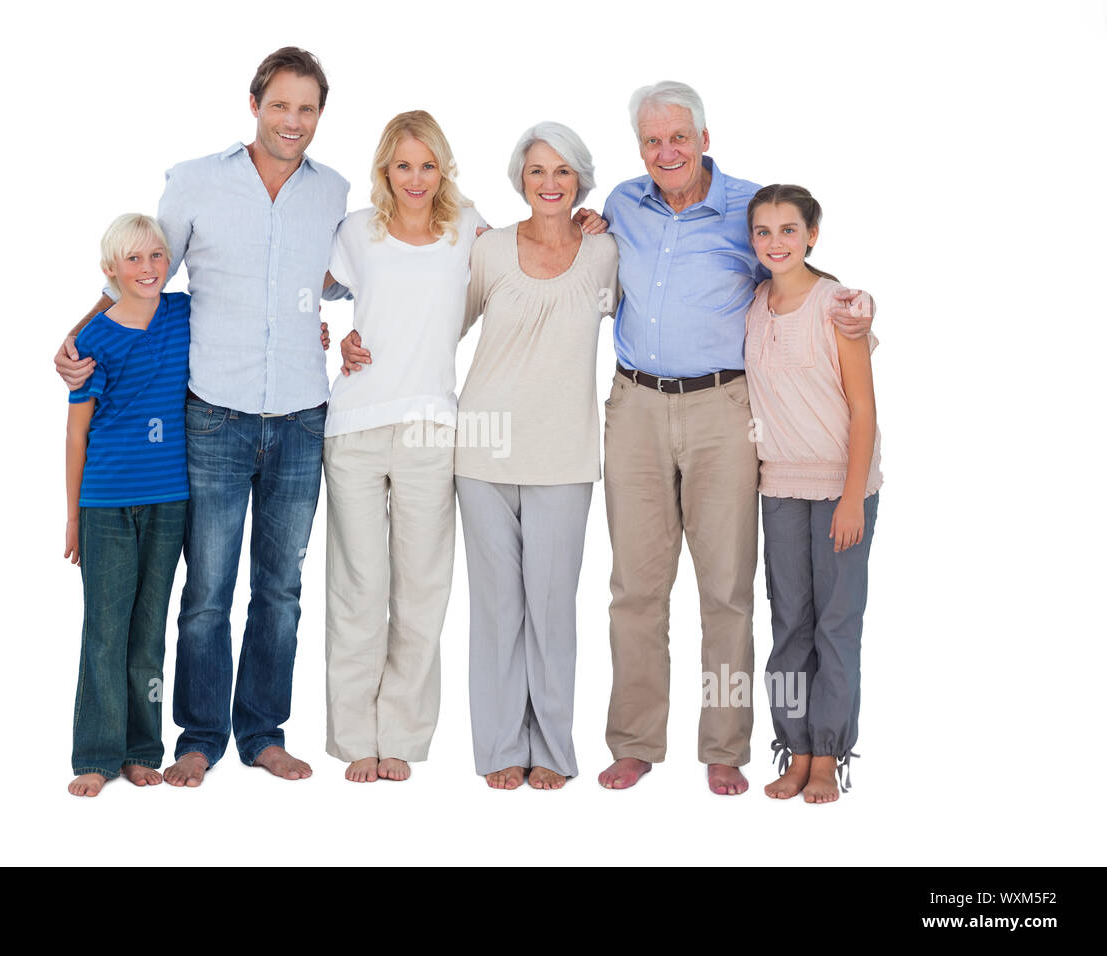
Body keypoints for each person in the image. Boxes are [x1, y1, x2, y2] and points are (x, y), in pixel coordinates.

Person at [54, 47, 347, 786]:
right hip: (214, 417)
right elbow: (142, 269)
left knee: (280, 590)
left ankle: (263, 731)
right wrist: (76, 337)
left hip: (302, 419)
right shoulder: (195, 183)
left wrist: (353, 329)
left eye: (307, 108)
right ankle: (200, 735)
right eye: (280, 105)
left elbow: (347, 277)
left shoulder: (334, 191)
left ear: (319, 115)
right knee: (207, 591)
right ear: (254, 105)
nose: (293, 120)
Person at [598, 81, 874, 794]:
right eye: (653, 140)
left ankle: (725, 745)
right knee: (635, 586)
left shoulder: (750, 212)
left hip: (723, 410)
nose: (667, 152)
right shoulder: (622, 204)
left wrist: (856, 308)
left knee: (726, 590)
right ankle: (635, 740)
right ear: (639, 148)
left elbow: (800, 280)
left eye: (679, 137)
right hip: (634, 406)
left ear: (705, 139)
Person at [321, 111, 485, 783]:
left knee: (421, 590)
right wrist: (337, 335)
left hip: (430, 430)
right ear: (385, 169)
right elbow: (314, 292)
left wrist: (588, 224)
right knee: (359, 589)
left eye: (427, 164)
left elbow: (532, 253)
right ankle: (356, 736)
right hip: (355, 426)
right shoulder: (357, 230)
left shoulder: (468, 228)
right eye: (402, 165)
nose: (415, 178)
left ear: (442, 167)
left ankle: (404, 738)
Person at [454, 122, 617, 790]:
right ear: (520, 179)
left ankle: (550, 747)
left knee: (551, 610)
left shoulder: (607, 252)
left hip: (564, 455)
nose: (549, 184)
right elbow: (440, 324)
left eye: (562, 172)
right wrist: (351, 345)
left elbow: (651, 322)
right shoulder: (489, 248)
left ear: (580, 178)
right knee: (496, 610)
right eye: (536, 172)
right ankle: (498, 747)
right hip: (482, 452)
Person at [744, 185, 881, 804]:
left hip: (839, 489)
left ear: (812, 235)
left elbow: (863, 412)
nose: (776, 243)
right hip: (779, 488)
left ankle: (828, 754)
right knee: (789, 624)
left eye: (788, 231)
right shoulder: (752, 305)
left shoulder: (839, 307)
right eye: (764, 232)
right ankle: (795, 750)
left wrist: (852, 498)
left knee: (836, 624)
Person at [65, 213, 190, 797]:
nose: (147, 268)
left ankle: (143, 750)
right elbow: (76, 434)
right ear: (112, 270)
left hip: (169, 501)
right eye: (134, 259)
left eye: (157, 257)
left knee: (149, 633)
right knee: (105, 632)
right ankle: (96, 752)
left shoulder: (183, 315)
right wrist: (72, 516)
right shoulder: (92, 340)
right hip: (106, 505)